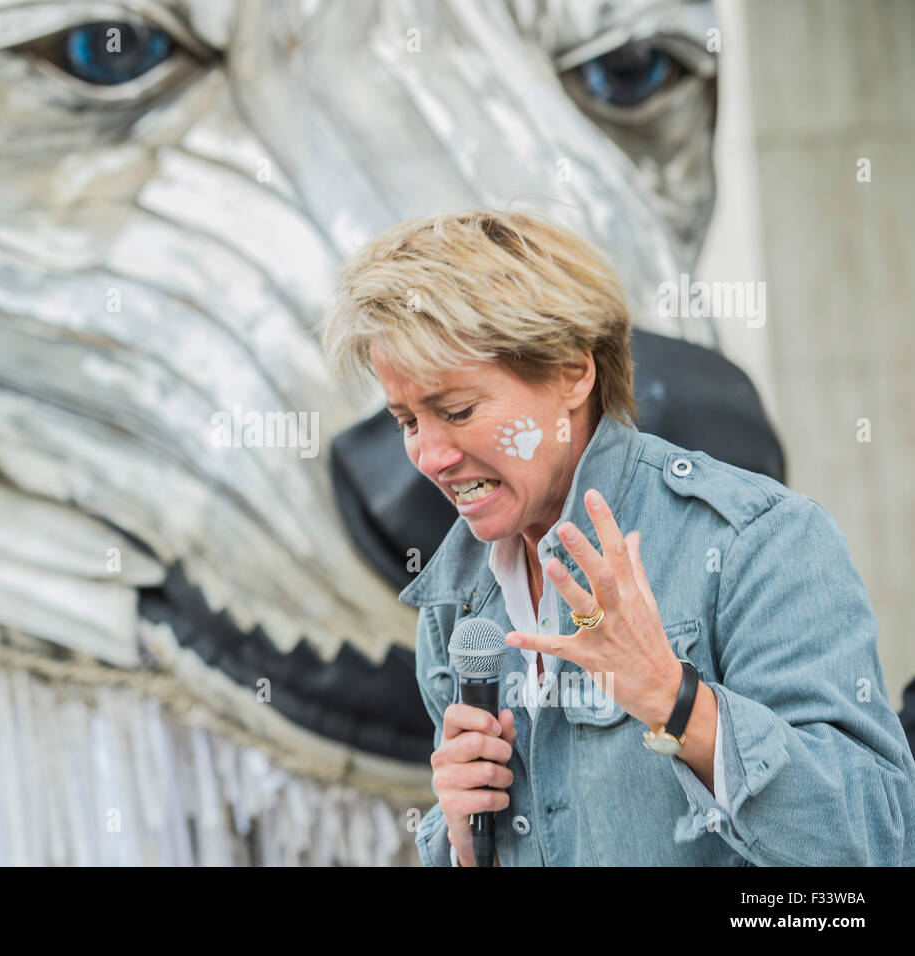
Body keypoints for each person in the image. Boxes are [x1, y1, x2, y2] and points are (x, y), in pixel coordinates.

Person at [320, 209, 915, 866]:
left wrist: (675, 702)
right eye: (407, 421)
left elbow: (874, 842)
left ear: (574, 374)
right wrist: (461, 842)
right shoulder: (454, 597)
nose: (429, 457)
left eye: (457, 412)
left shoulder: (759, 541)